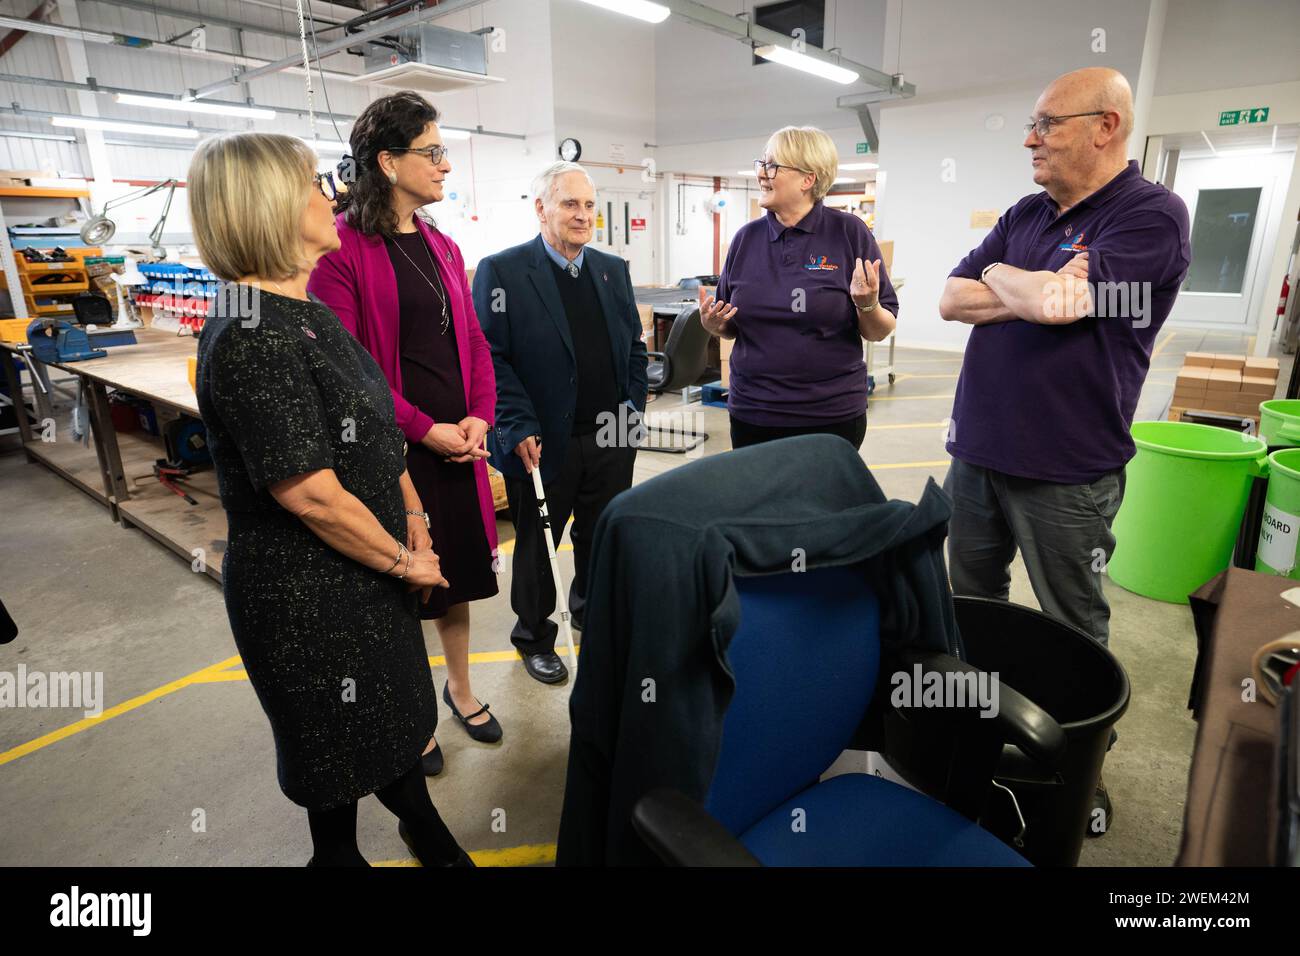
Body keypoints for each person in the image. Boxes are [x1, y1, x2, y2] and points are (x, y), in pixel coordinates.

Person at [192, 131, 471, 867]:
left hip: (364, 578)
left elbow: (376, 426)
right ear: (270, 208)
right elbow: (311, 495)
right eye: (314, 185)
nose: (332, 196)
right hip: (311, 602)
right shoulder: (251, 332)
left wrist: (413, 519)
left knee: (384, 738)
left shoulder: (306, 308)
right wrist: (406, 564)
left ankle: (415, 827)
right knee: (338, 758)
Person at [938, 67, 1191, 832]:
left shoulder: (1151, 215)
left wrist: (1017, 283)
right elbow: (951, 299)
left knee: (1072, 624)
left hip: (1068, 470)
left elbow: (1067, 303)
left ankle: (1080, 771)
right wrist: (1022, 280)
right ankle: (974, 741)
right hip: (976, 453)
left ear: (1104, 126)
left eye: (1046, 124)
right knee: (971, 610)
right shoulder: (1027, 211)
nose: (1030, 139)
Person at [309, 92, 502, 778]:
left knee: (453, 578)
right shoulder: (341, 251)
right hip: (393, 454)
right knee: (406, 586)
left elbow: (474, 340)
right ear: (388, 162)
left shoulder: (443, 243)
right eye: (434, 152)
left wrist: (480, 413)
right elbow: (348, 368)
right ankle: (412, 715)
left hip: (461, 447)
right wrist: (426, 429)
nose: (446, 165)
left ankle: (461, 688)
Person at [473, 162, 648, 684]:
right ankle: (533, 636)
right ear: (542, 209)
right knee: (538, 544)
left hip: (610, 437)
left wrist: (632, 413)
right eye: (570, 204)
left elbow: (635, 349)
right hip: (542, 443)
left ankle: (594, 620)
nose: (582, 215)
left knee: (601, 536)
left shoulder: (611, 269)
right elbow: (491, 356)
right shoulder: (502, 272)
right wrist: (518, 423)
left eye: (589, 205)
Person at [699, 125, 898, 450]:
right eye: (761, 164)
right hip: (754, 411)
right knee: (761, 501)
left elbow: (879, 330)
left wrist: (867, 305)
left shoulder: (849, 234)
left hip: (829, 415)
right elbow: (730, 323)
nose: (762, 175)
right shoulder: (745, 240)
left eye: (773, 166)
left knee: (823, 501)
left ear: (808, 179)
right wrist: (715, 325)